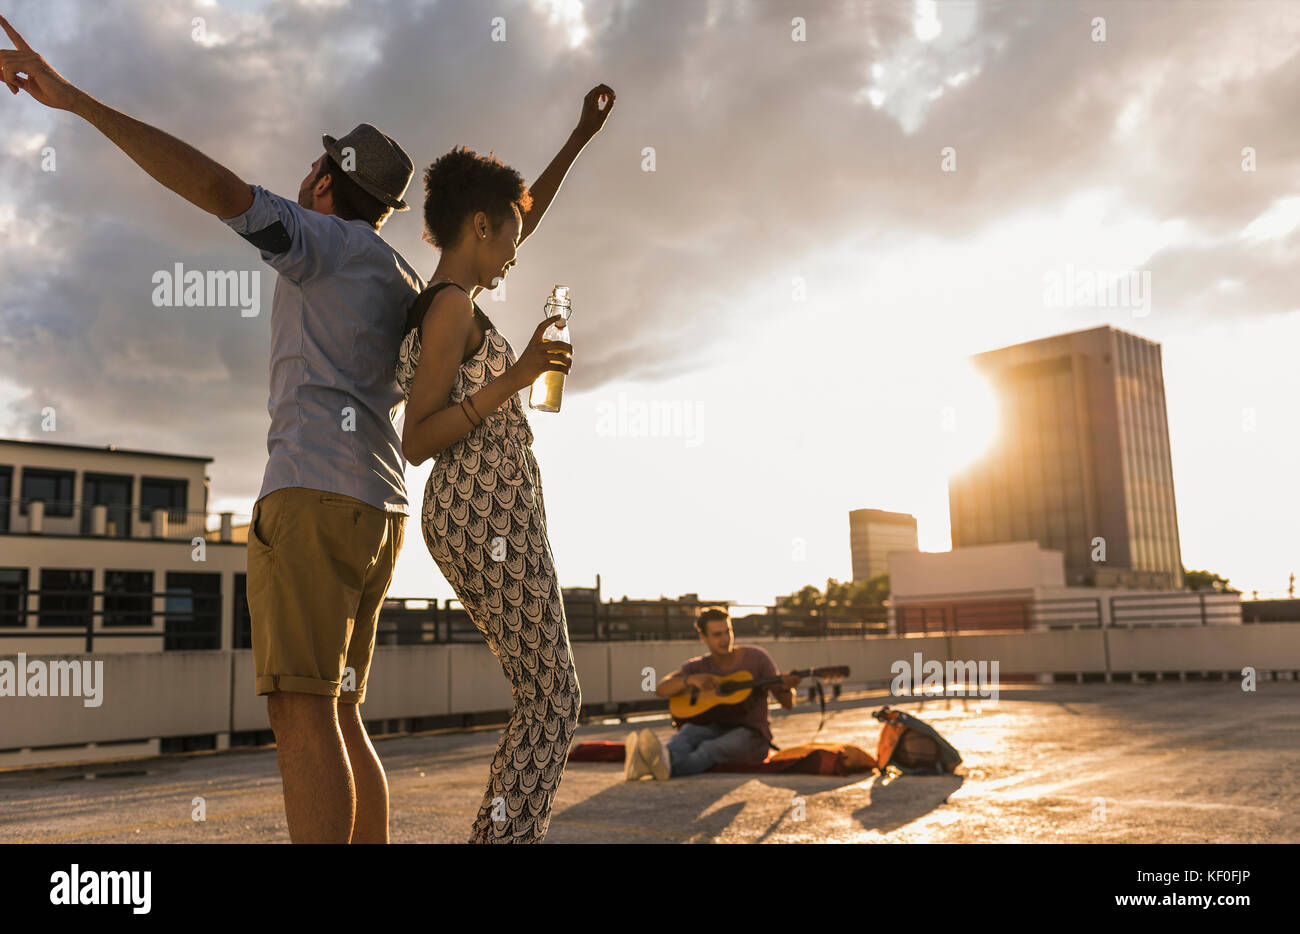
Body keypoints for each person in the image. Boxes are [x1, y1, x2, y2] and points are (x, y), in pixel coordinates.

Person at [1, 16, 417, 843]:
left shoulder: (320, 241)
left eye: (315, 165)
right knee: (341, 711)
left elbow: (218, 189)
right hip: (382, 504)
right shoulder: (397, 271)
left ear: (331, 183)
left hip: (310, 493)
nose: (303, 174)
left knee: (301, 716)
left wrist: (76, 100)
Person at [396, 85, 616, 842]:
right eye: (509, 240)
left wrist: (581, 137)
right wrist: (516, 377)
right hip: (477, 508)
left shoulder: (454, 291)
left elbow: (524, 210)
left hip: (492, 508)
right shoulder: (451, 306)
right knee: (554, 699)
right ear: (478, 227)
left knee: (546, 696)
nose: (516, 257)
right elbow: (416, 439)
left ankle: (503, 838)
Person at [626, 606, 802, 780]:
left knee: (710, 749)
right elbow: (661, 689)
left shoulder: (757, 658)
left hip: (751, 736)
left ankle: (653, 766)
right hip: (713, 730)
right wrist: (690, 680)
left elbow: (788, 704)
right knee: (687, 733)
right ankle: (653, 763)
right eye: (717, 635)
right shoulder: (698, 666)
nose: (725, 639)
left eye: (728, 632)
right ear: (703, 637)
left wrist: (787, 686)